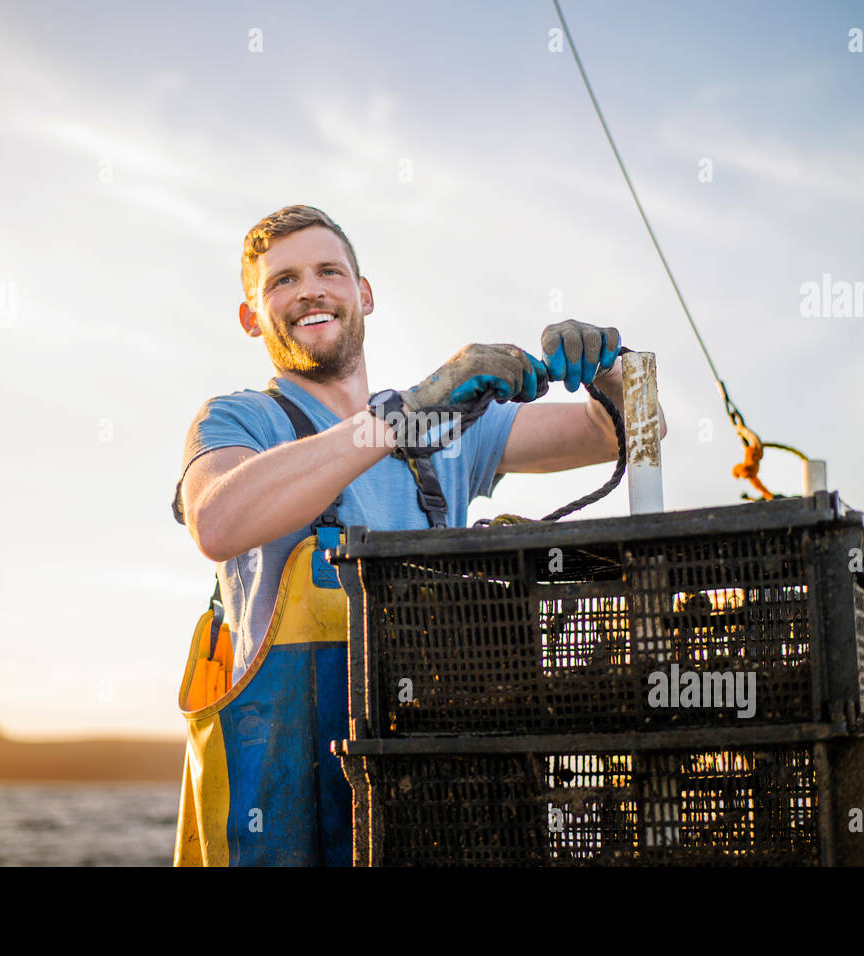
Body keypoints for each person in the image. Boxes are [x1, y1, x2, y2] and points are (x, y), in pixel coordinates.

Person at [172, 204, 665, 866]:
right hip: (290, 817)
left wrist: (612, 373)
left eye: (329, 271)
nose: (310, 289)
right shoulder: (240, 418)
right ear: (251, 317)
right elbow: (218, 520)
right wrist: (395, 418)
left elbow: (626, 433)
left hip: (432, 803)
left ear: (364, 294)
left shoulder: (446, 426)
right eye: (282, 281)